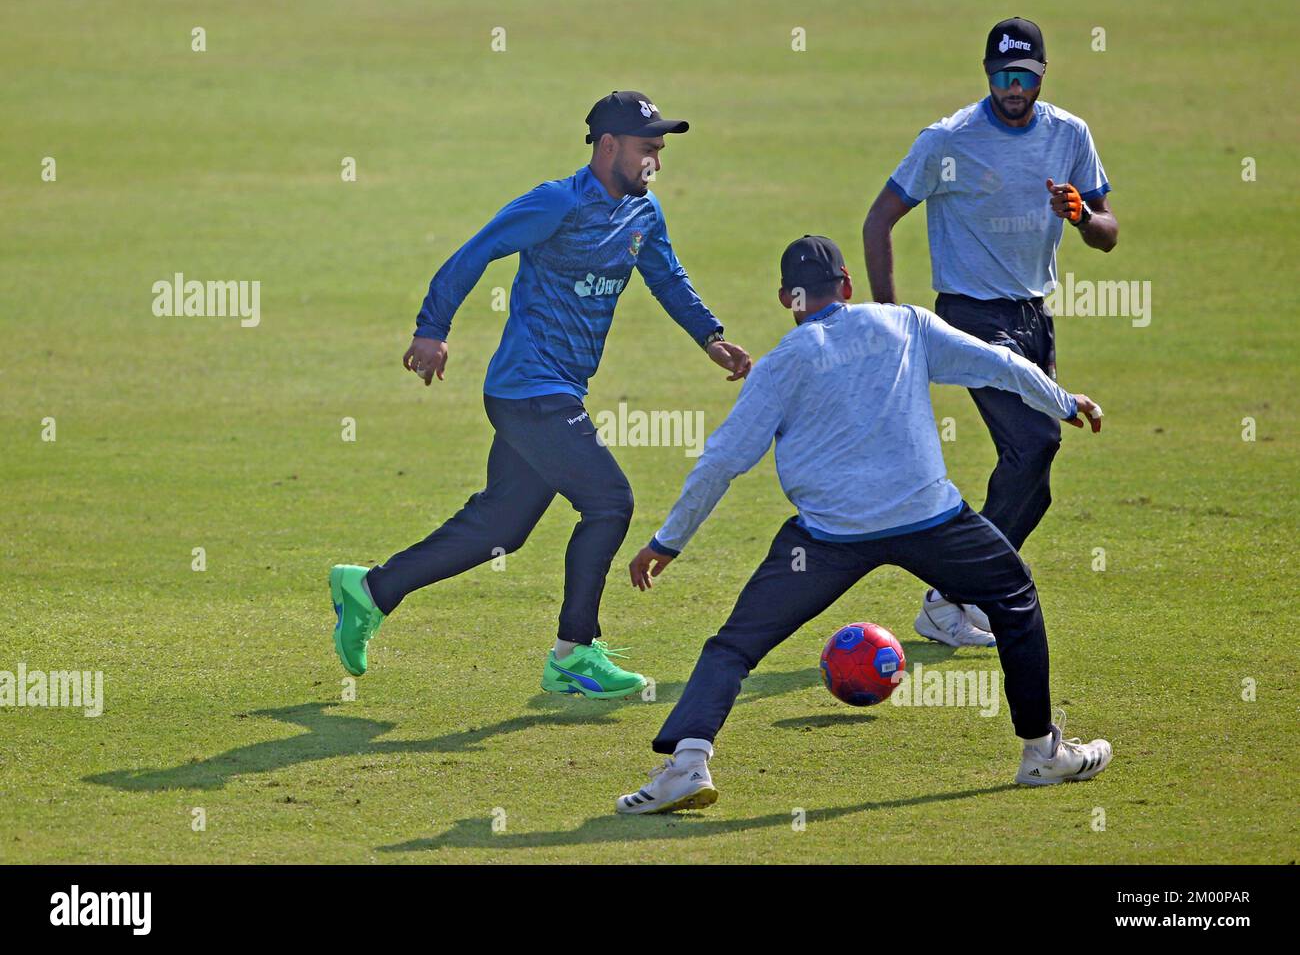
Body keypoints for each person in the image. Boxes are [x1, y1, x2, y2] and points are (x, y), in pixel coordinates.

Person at [615, 235, 1110, 815]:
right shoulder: (904, 324)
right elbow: (999, 363)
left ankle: (687, 765)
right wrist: (1060, 400)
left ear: (787, 299)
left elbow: (721, 462)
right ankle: (1041, 752)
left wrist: (667, 541)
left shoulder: (778, 366)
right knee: (1014, 597)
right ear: (847, 285)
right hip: (930, 520)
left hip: (826, 538)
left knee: (735, 646)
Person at [330, 91, 753, 700]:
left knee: (501, 527)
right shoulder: (557, 202)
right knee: (609, 502)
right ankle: (573, 653)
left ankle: (369, 591)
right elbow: (476, 251)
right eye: (646, 149)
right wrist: (432, 329)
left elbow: (668, 278)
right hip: (530, 392)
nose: (655, 162)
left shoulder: (643, 213)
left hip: (550, 393)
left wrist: (711, 337)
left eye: (659, 150)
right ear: (608, 147)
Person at [863, 17, 1118, 647]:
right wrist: (895, 322)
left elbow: (1109, 231)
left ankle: (950, 597)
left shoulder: (1069, 134)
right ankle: (955, 594)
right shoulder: (948, 140)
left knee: (1035, 480)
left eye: (1025, 77)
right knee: (1034, 443)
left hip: (1034, 317)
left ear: (1040, 76)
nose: (1013, 88)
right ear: (986, 74)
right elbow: (878, 221)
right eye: (1003, 76)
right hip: (971, 317)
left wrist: (1083, 215)